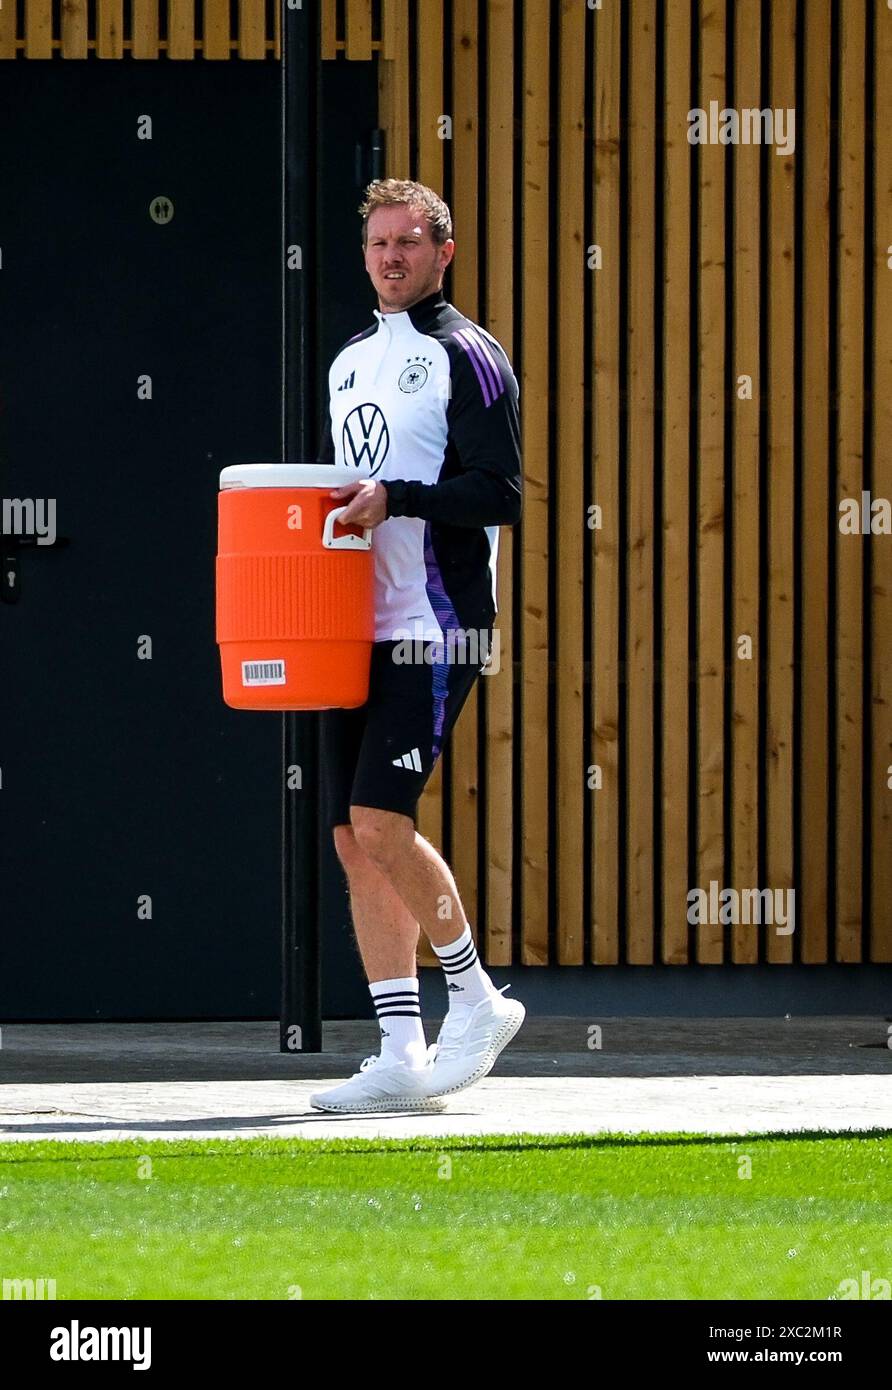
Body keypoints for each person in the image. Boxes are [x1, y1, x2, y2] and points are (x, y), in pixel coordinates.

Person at [310, 178, 524, 1114]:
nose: (390, 257)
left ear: (443, 251)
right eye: (376, 243)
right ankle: (401, 1049)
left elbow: (500, 493)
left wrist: (397, 497)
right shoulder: (350, 359)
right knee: (355, 838)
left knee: (386, 823)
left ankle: (476, 1000)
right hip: (355, 621)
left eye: (408, 241)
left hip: (435, 623)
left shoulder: (467, 356)